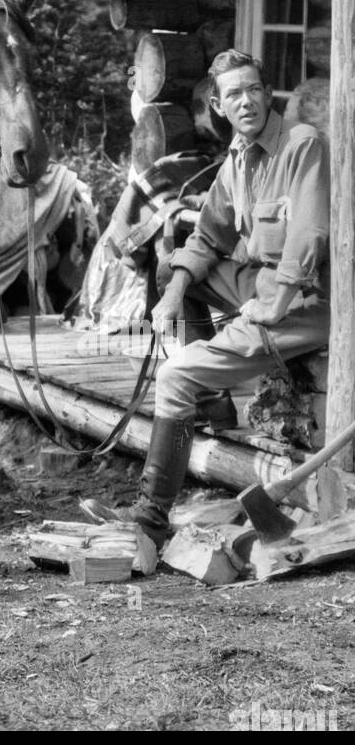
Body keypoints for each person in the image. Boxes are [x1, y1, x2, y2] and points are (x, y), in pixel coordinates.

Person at [82, 49, 330, 547]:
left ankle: (150, 518)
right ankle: (214, 403)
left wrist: (277, 303)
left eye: (254, 89)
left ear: (268, 93)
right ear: (218, 106)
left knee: (173, 376)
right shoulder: (237, 158)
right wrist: (172, 295)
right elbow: (207, 238)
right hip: (259, 286)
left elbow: (308, 236)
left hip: (307, 303)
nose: (247, 101)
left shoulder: (303, 145)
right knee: (176, 265)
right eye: (233, 95)